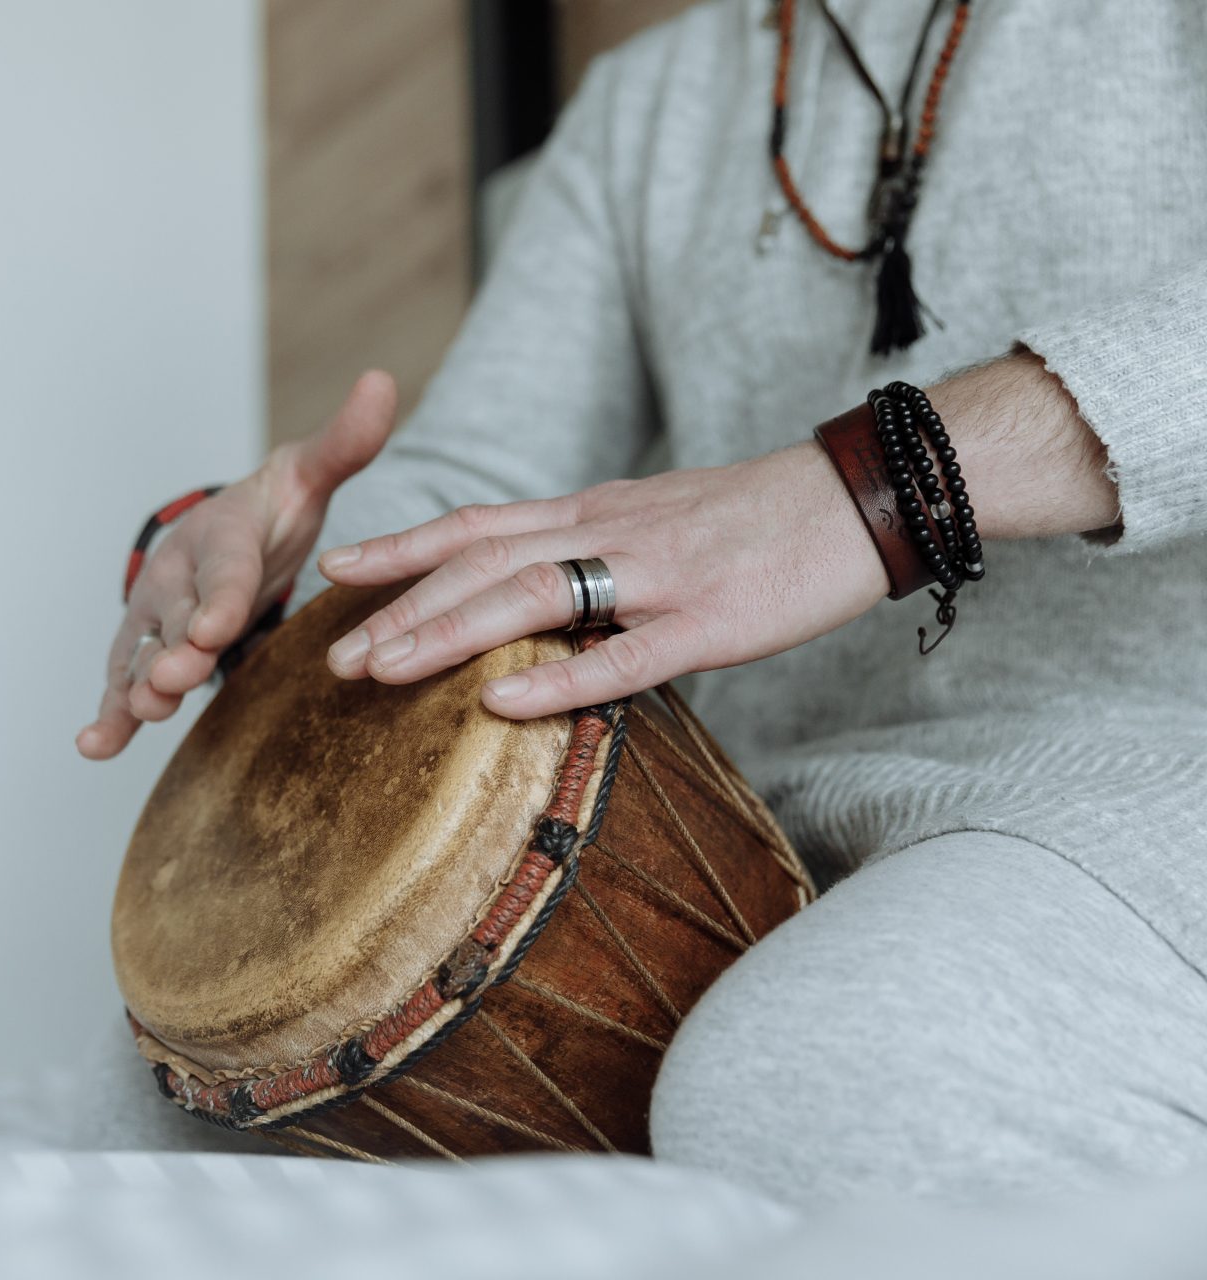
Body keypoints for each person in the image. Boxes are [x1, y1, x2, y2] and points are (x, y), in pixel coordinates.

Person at [77, 0, 1207, 1206]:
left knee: (816, 1074)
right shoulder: (649, 102)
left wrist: (869, 490)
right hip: (744, 814)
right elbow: (489, 488)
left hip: (1142, 781)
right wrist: (287, 578)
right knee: (177, 1102)